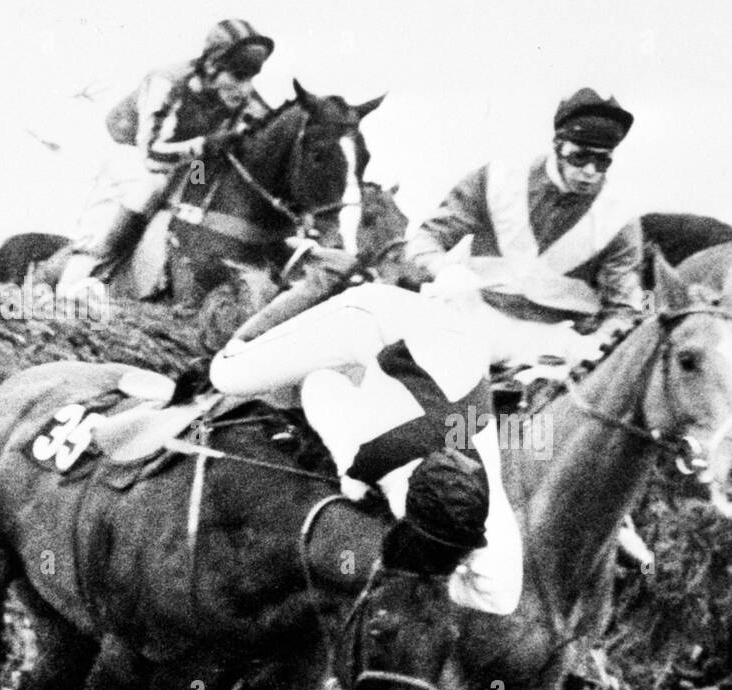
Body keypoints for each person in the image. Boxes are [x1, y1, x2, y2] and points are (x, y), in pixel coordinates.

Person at [207, 283, 523, 617]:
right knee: (226, 375)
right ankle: (313, 284)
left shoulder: (492, 530)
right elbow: (320, 388)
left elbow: (502, 601)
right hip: (370, 323)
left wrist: (435, 583)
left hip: (440, 354)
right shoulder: (371, 449)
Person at [403, 88, 646, 368]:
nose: (590, 171)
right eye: (580, 157)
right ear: (557, 145)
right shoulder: (495, 180)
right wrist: (445, 270)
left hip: (558, 341)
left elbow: (623, 308)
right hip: (476, 320)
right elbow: (424, 240)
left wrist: (598, 343)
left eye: (602, 161)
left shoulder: (620, 219)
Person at [58, 19, 276, 294]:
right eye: (237, 76)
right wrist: (204, 145)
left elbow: (272, 128)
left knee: (202, 192)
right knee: (148, 188)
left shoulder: (242, 95)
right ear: (212, 65)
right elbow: (152, 154)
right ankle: (76, 277)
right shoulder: (166, 81)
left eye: (251, 77)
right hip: (135, 152)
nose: (245, 89)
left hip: (192, 161)